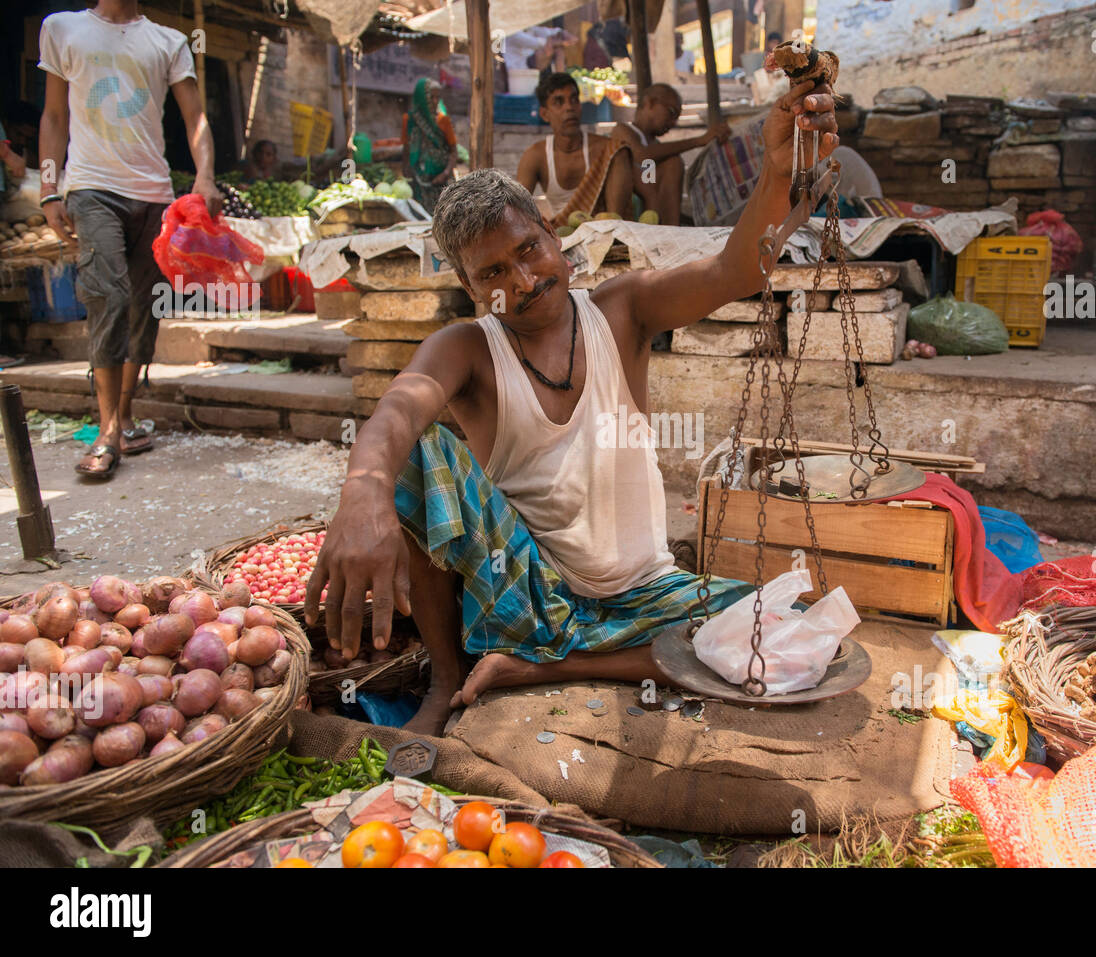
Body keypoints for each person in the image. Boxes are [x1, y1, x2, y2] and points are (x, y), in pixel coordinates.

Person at [304, 76, 839, 733]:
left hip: (647, 596)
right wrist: (363, 491)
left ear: (556, 238)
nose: (523, 282)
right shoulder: (468, 348)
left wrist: (777, 173)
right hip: (528, 599)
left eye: (529, 250)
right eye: (493, 272)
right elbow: (398, 411)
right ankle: (447, 679)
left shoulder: (625, 309)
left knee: (796, 626)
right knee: (419, 453)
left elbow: (737, 271)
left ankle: (537, 670)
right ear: (472, 288)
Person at [38, 0, 221, 479]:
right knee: (108, 295)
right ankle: (106, 429)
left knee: (146, 305)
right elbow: (54, 117)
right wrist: (47, 187)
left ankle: (125, 416)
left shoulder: (168, 41)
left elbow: (195, 118)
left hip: (154, 196)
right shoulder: (62, 29)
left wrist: (205, 176)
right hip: (92, 187)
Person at [515, 72, 634, 224]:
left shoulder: (610, 151)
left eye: (574, 100)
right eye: (559, 102)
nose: (569, 107)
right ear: (545, 114)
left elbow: (614, 219)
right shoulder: (535, 156)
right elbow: (517, 210)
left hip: (604, 236)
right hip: (561, 238)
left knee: (620, 152)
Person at [610, 83, 729, 225]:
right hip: (628, 209)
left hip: (652, 212)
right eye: (671, 113)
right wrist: (699, 140)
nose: (673, 123)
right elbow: (642, 156)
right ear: (650, 103)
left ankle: (671, 230)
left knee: (673, 163)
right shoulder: (623, 130)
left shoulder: (657, 147)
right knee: (672, 164)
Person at [406, 78, 459, 211]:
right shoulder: (410, 120)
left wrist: (445, 173)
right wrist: (407, 173)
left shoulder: (443, 121)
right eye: (431, 97)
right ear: (422, 98)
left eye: (437, 97)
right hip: (420, 181)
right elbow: (406, 148)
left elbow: (454, 151)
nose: (435, 102)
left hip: (442, 181)